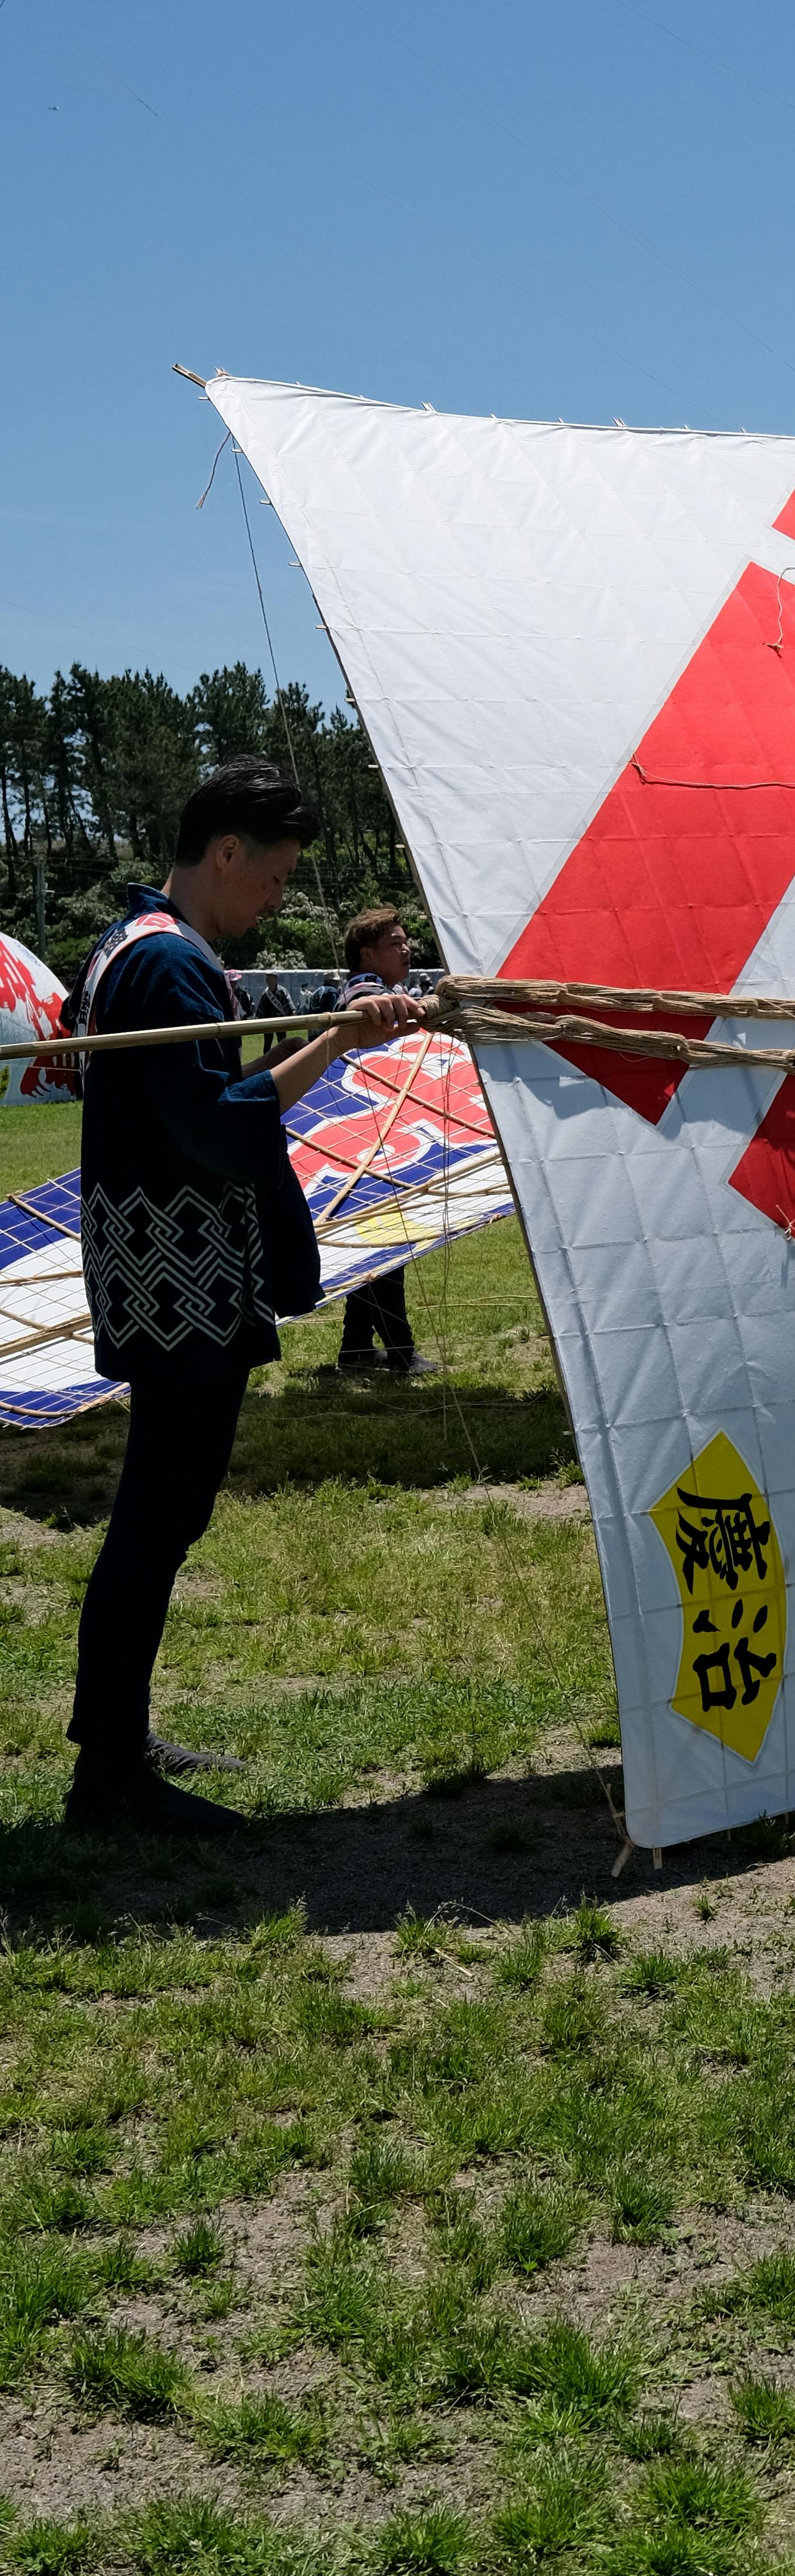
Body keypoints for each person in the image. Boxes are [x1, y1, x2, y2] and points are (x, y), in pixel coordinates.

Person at [60, 762, 426, 1834]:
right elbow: (218, 1128)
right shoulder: (170, 967)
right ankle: (110, 1778)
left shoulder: (135, 943)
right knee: (158, 1518)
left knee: (159, 1516)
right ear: (226, 855)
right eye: (273, 875)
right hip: (178, 1283)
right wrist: (339, 1042)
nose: (279, 898)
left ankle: (117, 1737)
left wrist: (329, 1022)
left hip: (160, 1272)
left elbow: (195, 1101)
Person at [331, 904, 435, 1380]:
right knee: (384, 1247)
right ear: (368, 955)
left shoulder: (386, 991)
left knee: (370, 1247)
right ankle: (401, 1353)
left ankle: (355, 1351)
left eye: (406, 941)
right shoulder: (367, 993)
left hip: (377, 1134)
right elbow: (359, 1006)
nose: (407, 948)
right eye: (396, 943)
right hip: (363, 1137)